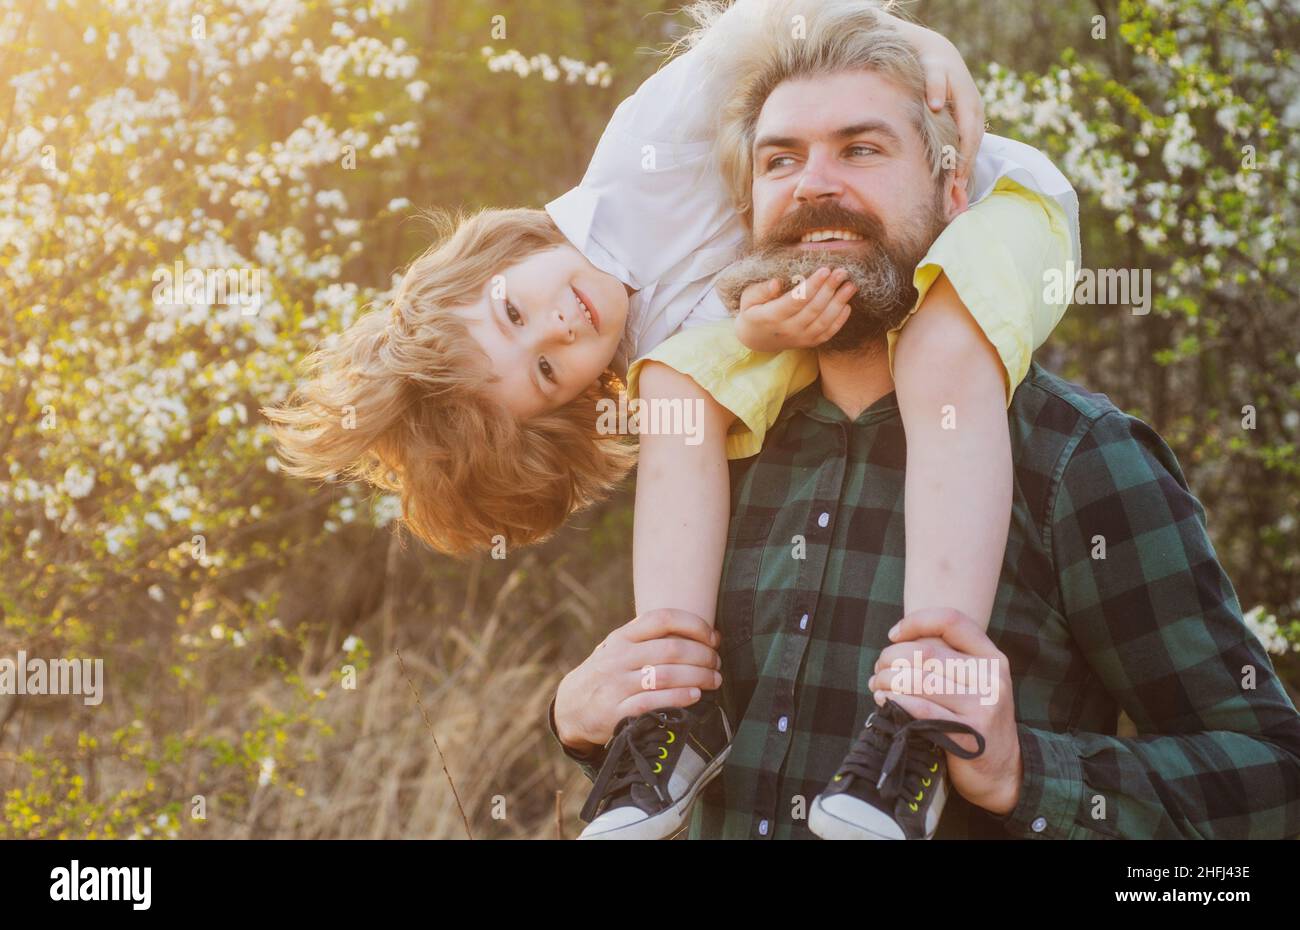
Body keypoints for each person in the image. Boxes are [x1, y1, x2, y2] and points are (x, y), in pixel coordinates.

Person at [264, 0, 1078, 839]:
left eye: (513, 312)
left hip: (994, 208)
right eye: (547, 370)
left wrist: (915, 42)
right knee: (676, 389)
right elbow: (753, 322)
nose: (560, 327)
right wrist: (757, 331)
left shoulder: (635, 150)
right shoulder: (653, 352)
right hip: (864, 280)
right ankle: (676, 707)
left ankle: (931, 701)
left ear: (493, 259)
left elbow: (789, 28)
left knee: (939, 349)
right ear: (575, 401)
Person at [549, 1, 1300, 840]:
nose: (815, 182)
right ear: (749, 212)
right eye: (781, 160)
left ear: (953, 188)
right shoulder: (713, 456)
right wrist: (581, 720)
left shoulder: (1075, 459)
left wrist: (1024, 773)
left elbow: (1271, 776)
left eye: (862, 149)